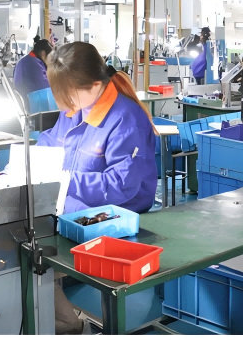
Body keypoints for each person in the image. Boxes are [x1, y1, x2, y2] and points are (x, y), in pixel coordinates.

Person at [39, 42, 163, 334]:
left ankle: (69, 326)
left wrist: (64, 179)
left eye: (68, 96)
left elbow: (120, 186)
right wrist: (29, 162)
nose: (65, 105)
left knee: (34, 259)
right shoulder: (77, 106)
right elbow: (52, 139)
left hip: (113, 218)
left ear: (95, 85)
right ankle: (59, 320)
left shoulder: (125, 119)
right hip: (71, 208)